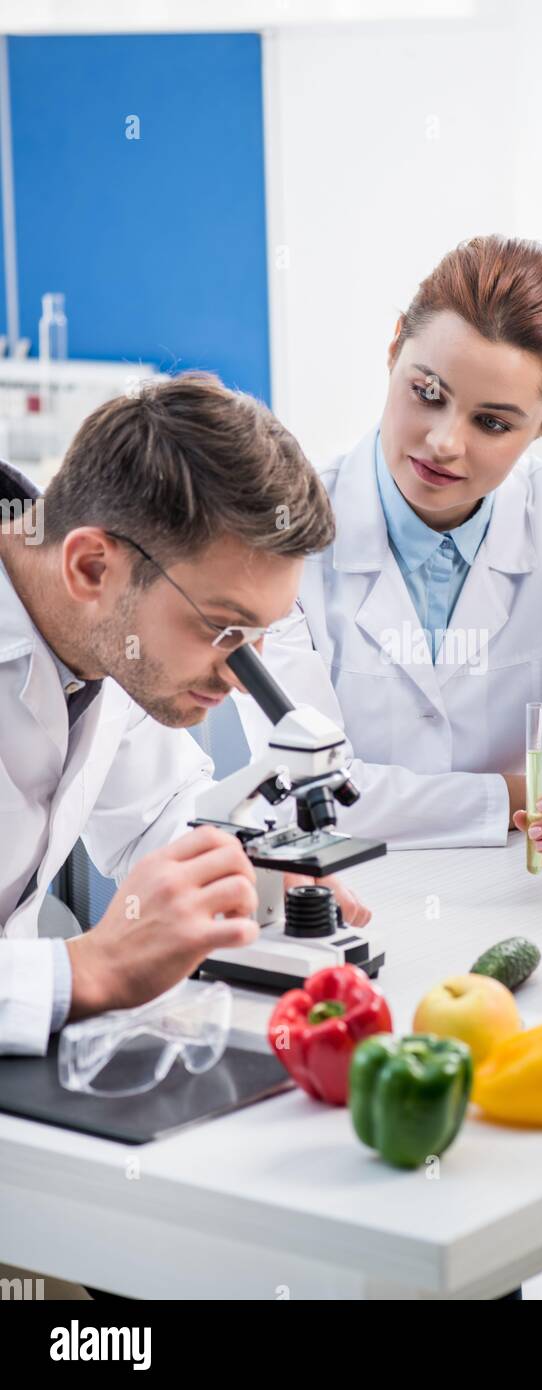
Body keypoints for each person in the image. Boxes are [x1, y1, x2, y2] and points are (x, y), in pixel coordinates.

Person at [237, 235, 542, 882]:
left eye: (493, 424)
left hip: (514, 887)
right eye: (426, 392)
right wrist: (527, 792)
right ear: (395, 346)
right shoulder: (284, 530)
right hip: (346, 894)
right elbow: (311, 791)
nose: (445, 443)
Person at [0, 373, 369, 1057]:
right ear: (89, 567)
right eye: (223, 628)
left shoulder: (106, 633)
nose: (240, 672)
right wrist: (85, 968)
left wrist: (248, 866)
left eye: (260, 634)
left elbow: (161, 816)